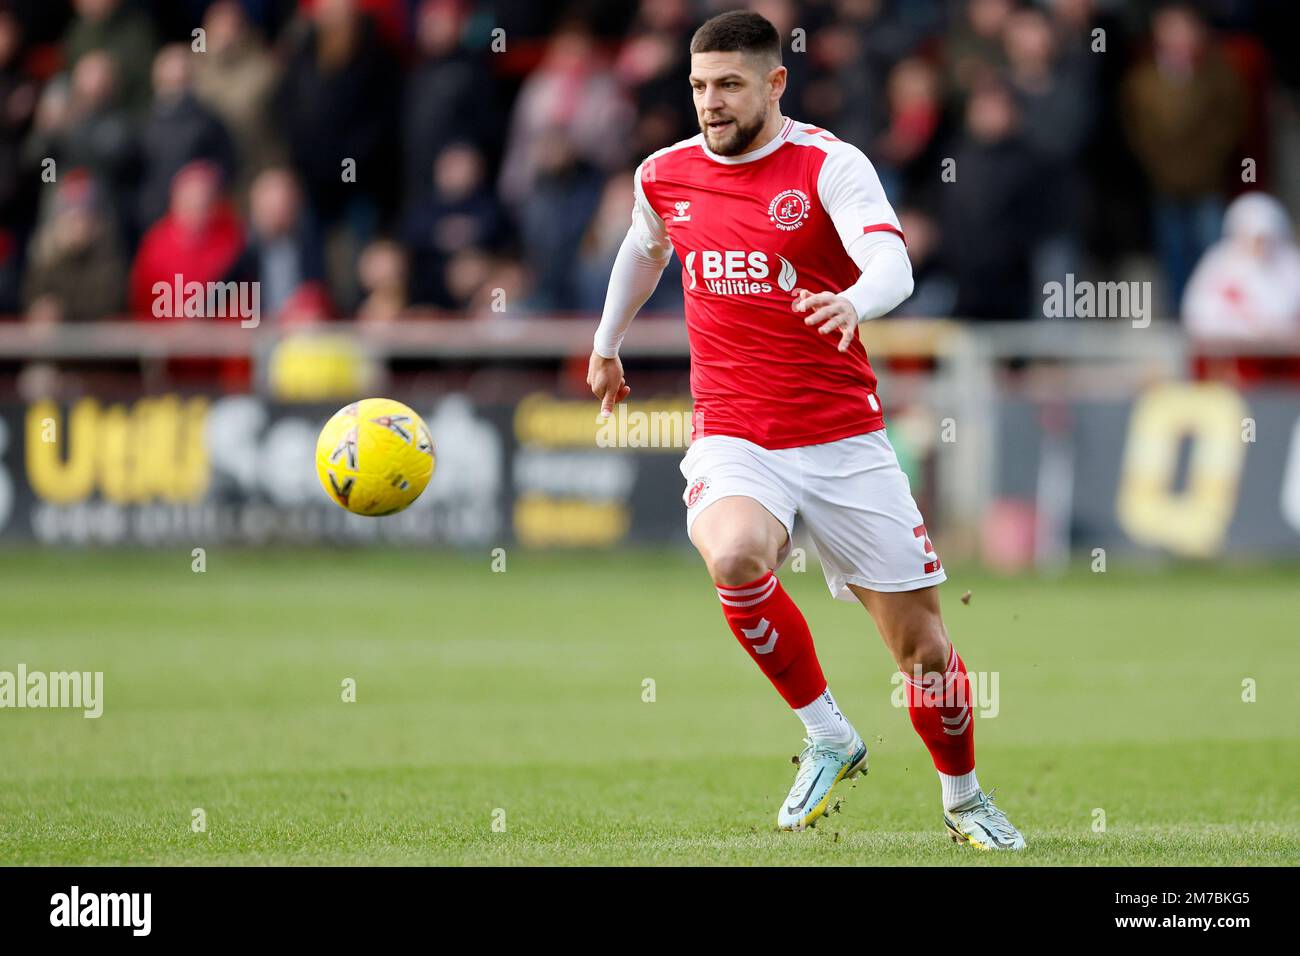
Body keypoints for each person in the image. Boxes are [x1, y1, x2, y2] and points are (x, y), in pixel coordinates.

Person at [586, 10, 1025, 849]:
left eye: (729, 86)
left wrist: (850, 301)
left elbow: (891, 261)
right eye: (700, 87)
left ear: (774, 83)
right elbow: (645, 249)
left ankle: (964, 797)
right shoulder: (664, 174)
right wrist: (606, 344)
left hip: (844, 443)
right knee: (735, 554)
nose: (711, 103)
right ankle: (828, 731)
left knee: (924, 653)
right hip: (735, 434)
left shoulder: (829, 164)